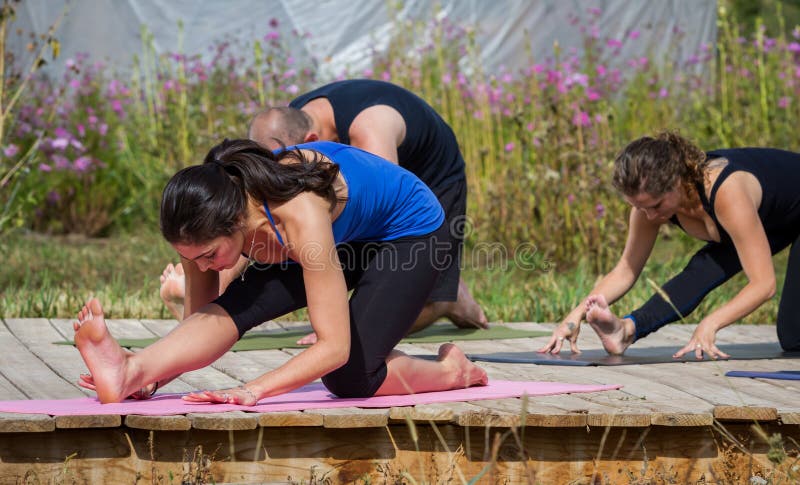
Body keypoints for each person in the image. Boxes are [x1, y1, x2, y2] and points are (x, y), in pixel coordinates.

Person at [75, 139, 487, 404]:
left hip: (411, 233)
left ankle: (454, 371)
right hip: (343, 234)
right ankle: (126, 370)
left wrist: (254, 389)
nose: (201, 267)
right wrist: (149, 374)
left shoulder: (299, 214)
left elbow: (333, 347)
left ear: (237, 221)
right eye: (192, 259)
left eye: (209, 256)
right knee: (235, 306)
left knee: (349, 377)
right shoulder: (203, 224)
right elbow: (205, 320)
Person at [160, 79, 488, 343]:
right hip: (345, 183)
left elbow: (382, 229)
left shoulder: (369, 130)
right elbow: (250, 224)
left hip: (429, 178)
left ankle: (445, 298)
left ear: (309, 140)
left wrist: (337, 322)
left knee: (392, 282)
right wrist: (211, 292)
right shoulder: (291, 121)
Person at [539, 131, 800, 360]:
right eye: (639, 207)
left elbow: (764, 285)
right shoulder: (647, 206)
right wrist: (574, 317)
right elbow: (626, 270)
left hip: (788, 209)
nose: (649, 216)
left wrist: (711, 323)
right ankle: (626, 331)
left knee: (794, 336)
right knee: (700, 271)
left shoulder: (726, 192)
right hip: (778, 216)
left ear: (677, 182)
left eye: (655, 206)